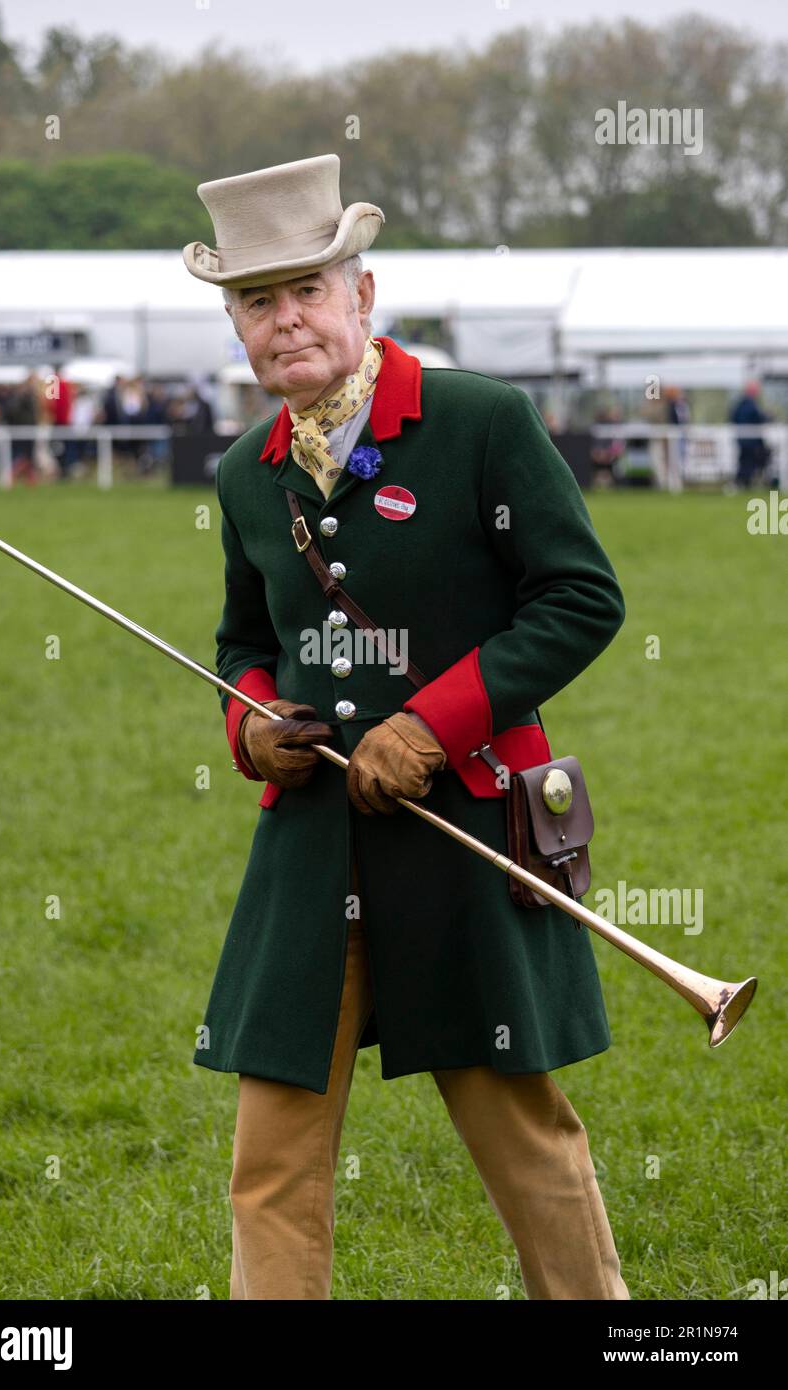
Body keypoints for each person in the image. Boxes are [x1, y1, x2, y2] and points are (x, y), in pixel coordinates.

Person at [183, 153, 629, 1301]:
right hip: (308, 845)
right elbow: (243, 643)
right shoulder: (244, 473)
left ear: (362, 296)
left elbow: (580, 598)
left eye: (307, 293)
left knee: (523, 1139)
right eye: (256, 303)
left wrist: (430, 725)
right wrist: (250, 724)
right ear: (236, 323)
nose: (286, 323)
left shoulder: (483, 421)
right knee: (268, 1158)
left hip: (466, 827)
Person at [729, 381, 771, 489]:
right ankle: (742, 483)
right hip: (749, 440)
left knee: (745, 461)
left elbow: (733, 418)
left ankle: (744, 483)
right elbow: (758, 418)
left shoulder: (741, 403)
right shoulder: (749, 404)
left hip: (743, 439)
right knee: (747, 462)